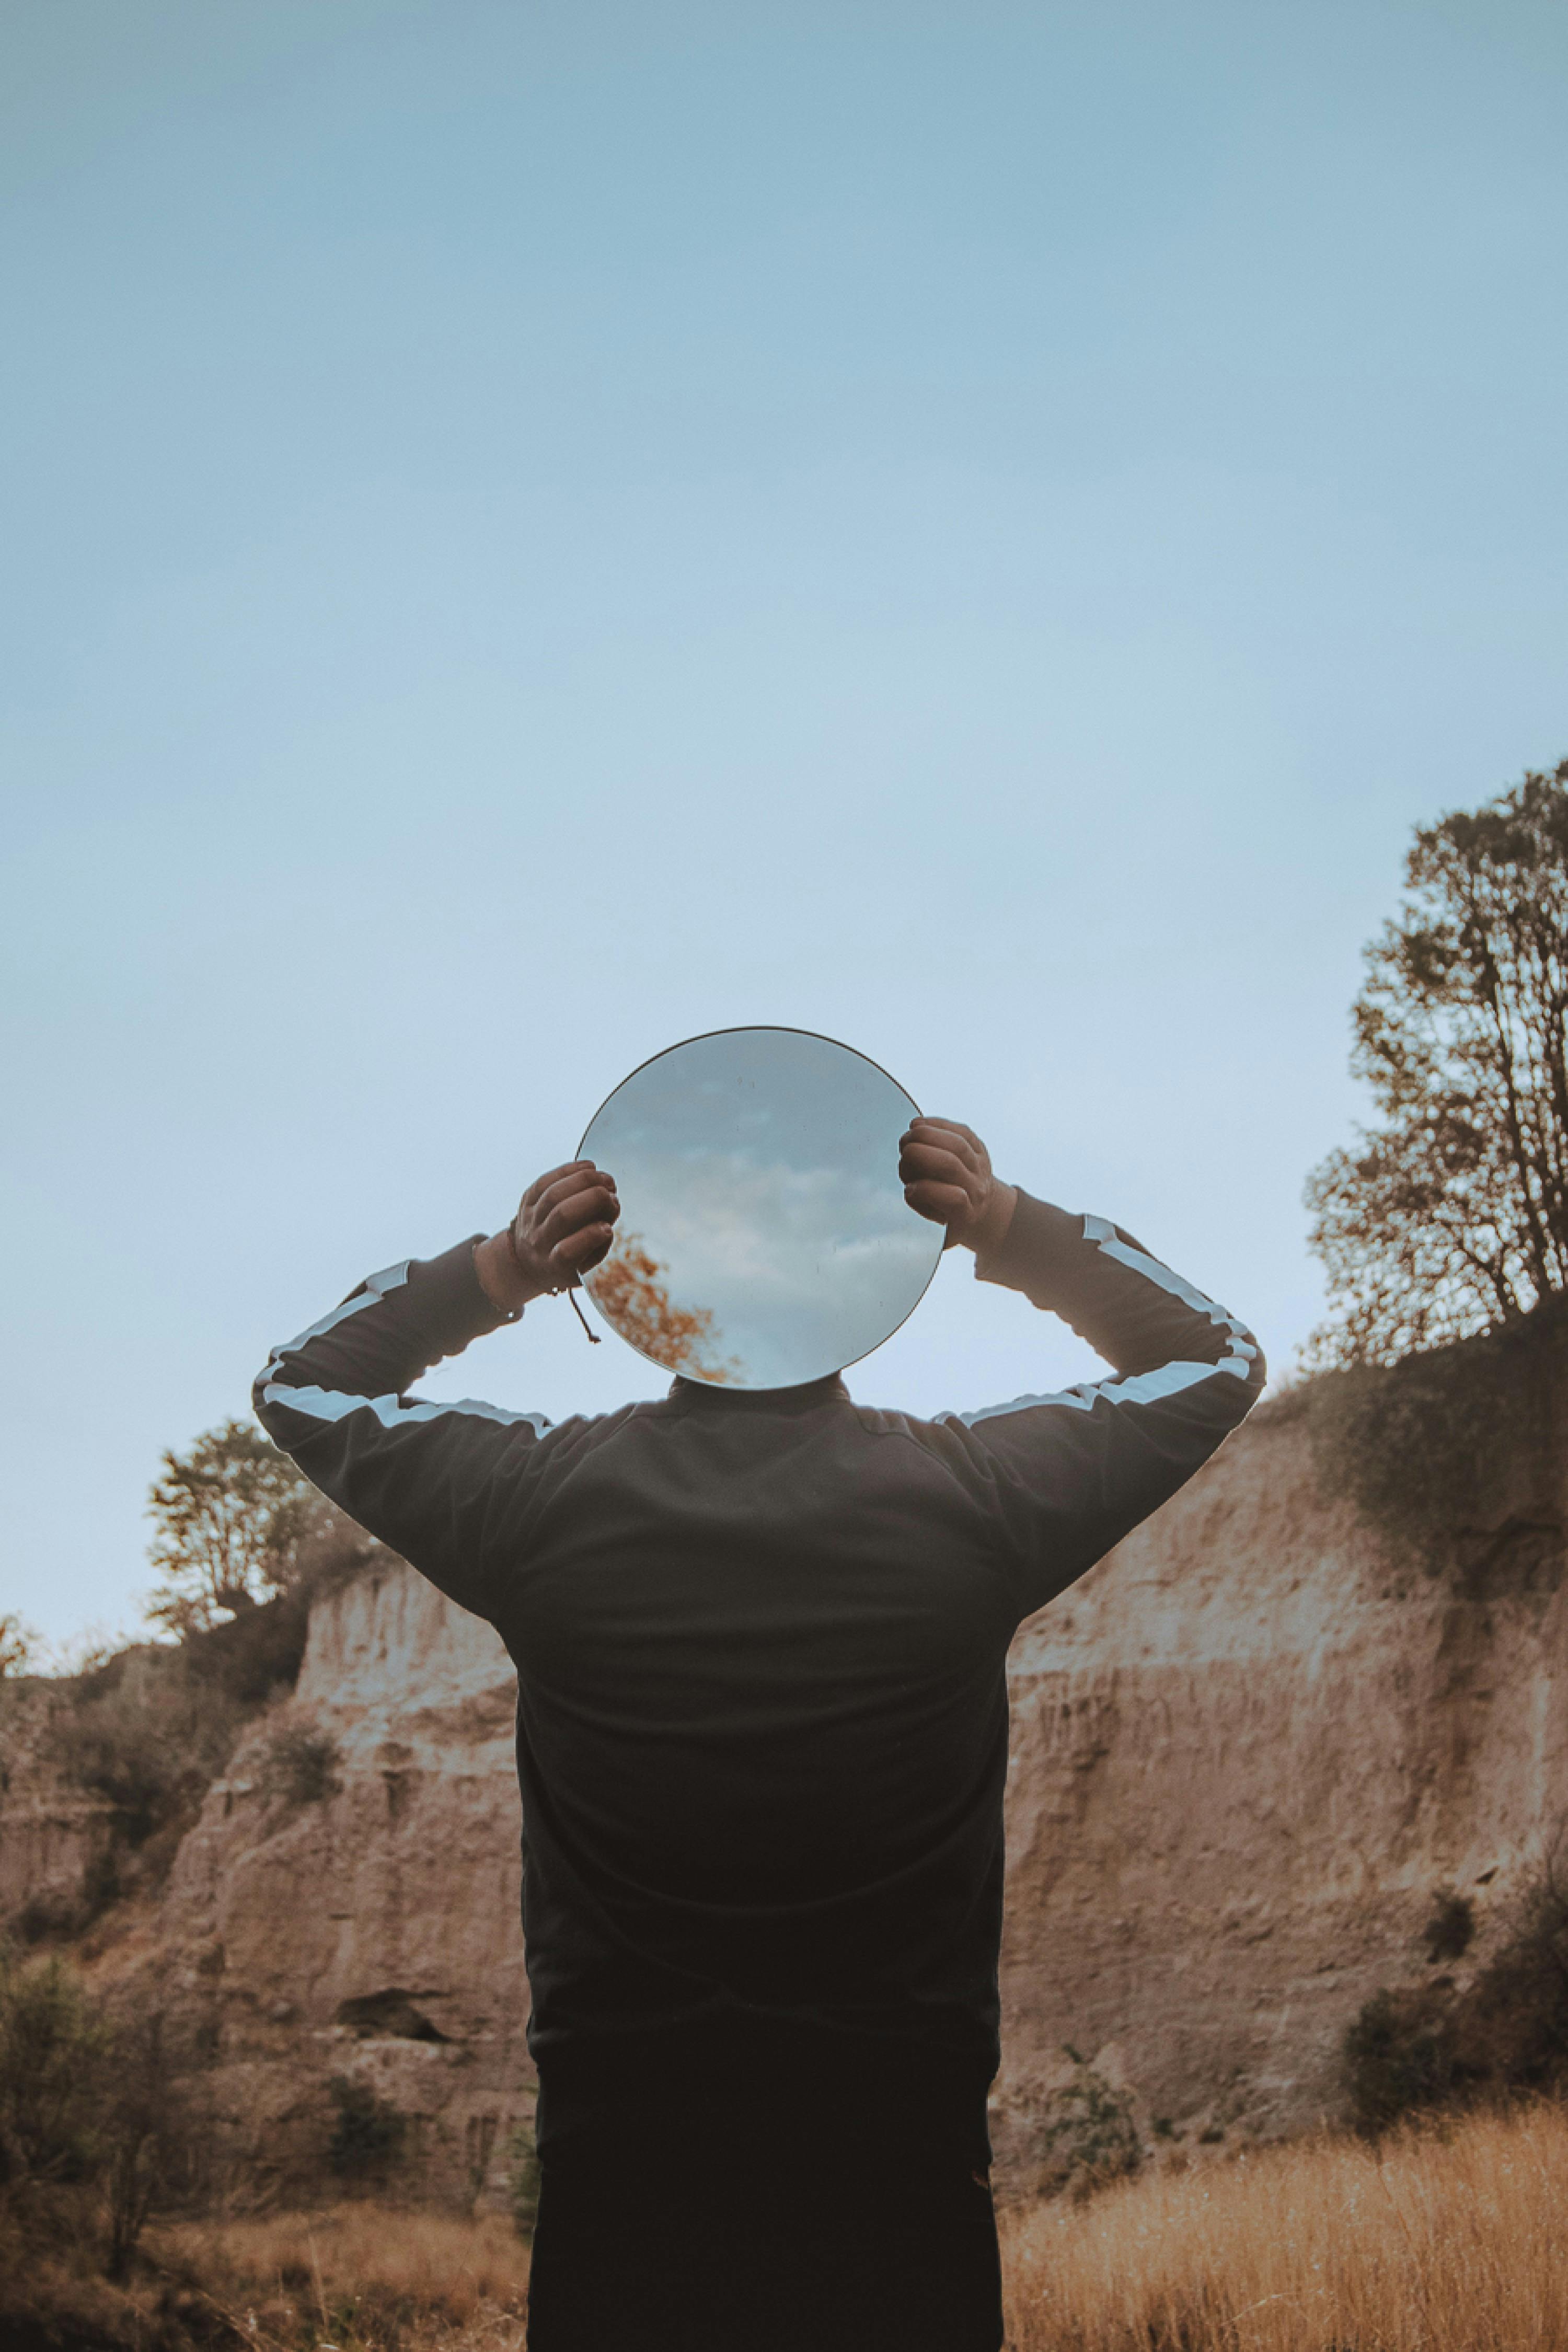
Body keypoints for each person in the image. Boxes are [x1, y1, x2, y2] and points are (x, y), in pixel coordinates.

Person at [254, 1116, 1263, 2351]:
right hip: (903, 2206)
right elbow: (1216, 1361)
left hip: (623, 2209)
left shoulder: (538, 1506)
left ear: (648, 1305)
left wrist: (506, 1267)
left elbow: (301, 1387)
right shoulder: (971, 1502)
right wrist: (1005, 1224)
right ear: (860, 1300)